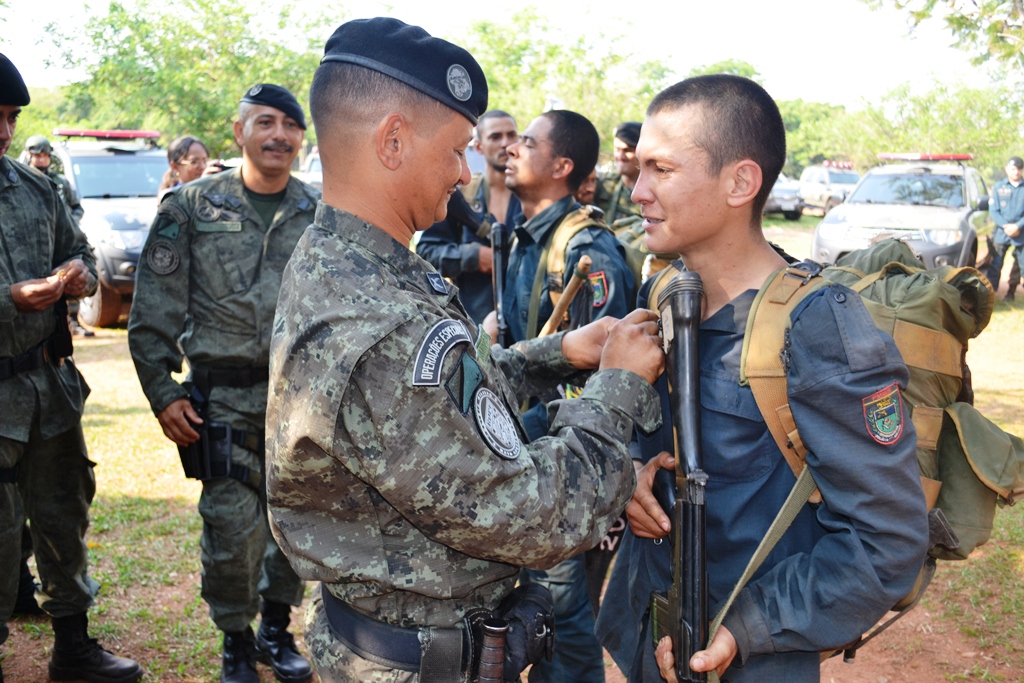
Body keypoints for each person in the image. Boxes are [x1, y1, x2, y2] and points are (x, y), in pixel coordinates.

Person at [265, 17, 665, 683]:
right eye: (455, 149)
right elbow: (532, 517)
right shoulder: (375, 319)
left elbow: (454, 391)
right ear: (392, 140)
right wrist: (617, 389)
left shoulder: (358, 261)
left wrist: (563, 349)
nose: (466, 169)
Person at [594, 74, 929, 683]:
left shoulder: (817, 326)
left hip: (751, 660)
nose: (637, 190)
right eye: (638, 168)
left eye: (660, 170)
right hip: (652, 629)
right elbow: (662, 442)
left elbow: (888, 540)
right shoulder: (666, 292)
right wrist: (634, 478)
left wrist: (748, 627)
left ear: (740, 182)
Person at [128, 84, 318, 683]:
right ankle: (236, 637)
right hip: (223, 401)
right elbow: (151, 309)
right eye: (265, 122)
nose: (279, 135)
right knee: (232, 531)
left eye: (291, 125)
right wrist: (164, 392)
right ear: (239, 132)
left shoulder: (322, 214)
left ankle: (275, 628)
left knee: (296, 527)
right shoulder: (188, 207)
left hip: (301, 403)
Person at [0, 53, 143, 683]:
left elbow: (76, 248)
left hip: (47, 389)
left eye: (9, 118)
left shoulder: (34, 188)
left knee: (63, 514)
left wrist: (78, 273)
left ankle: (74, 648)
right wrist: (8, 298)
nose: (3, 132)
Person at [497, 108, 636, 683]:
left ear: (561, 165)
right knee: (537, 595)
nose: (511, 149)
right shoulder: (524, 235)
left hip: (564, 458)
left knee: (560, 601)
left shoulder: (585, 252)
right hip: (522, 448)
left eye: (526, 142)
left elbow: (610, 367)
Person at [415, 109, 523, 323]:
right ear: (479, 147)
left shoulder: (530, 197)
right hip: (475, 325)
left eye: (511, 135)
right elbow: (426, 253)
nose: (505, 143)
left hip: (526, 328)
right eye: (495, 137)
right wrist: (473, 256)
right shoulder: (460, 196)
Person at [22, 135, 94, 338]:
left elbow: (77, 207)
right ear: (29, 155)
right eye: (39, 156)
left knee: (70, 275)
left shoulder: (60, 182)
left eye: (46, 156)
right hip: (35, 242)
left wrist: (68, 222)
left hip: (60, 239)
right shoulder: (22, 180)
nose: (43, 160)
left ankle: (72, 322)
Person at [985, 156, 1024, 301]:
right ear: (1007, 169)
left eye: (1019, 169)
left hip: (1021, 232)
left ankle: (1011, 292)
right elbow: (993, 211)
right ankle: (990, 295)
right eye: (1013, 169)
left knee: (1020, 265)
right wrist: (1006, 226)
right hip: (1002, 231)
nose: (1016, 172)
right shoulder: (999, 187)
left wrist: (1018, 226)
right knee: (996, 263)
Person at [594, 121, 642, 224]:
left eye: (627, 150)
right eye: (617, 149)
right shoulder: (605, 185)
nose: (620, 156)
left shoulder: (654, 192)